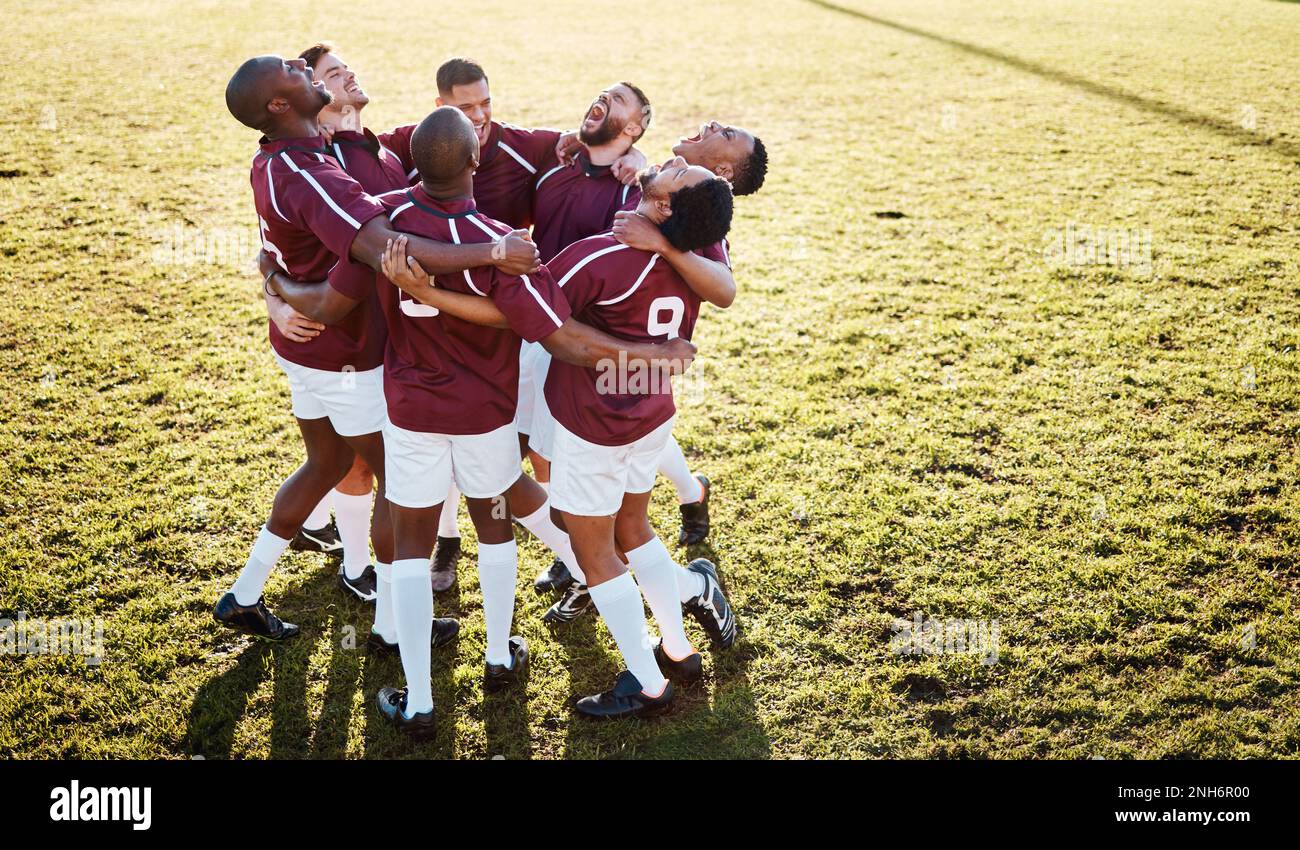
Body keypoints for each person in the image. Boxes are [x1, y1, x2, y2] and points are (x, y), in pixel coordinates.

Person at [267, 106, 697, 738]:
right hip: (487, 417)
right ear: (476, 161)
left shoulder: (383, 224)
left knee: (412, 548)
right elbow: (546, 331)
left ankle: (418, 701)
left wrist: (276, 287)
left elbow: (331, 297)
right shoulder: (503, 244)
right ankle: (498, 652)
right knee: (495, 525)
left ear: (414, 160)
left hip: (411, 413)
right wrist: (654, 357)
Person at [216, 54, 540, 641]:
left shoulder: (282, 157)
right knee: (400, 486)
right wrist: (491, 252)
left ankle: (243, 594)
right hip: (347, 355)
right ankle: (393, 625)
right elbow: (388, 249)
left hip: (305, 352)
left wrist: (277, 284)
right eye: (293, 69)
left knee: (328, 462)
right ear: (278, 106)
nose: (303, 64)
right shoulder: (313, 173)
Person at [542, 159, 739, 718]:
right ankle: (677, 648)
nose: (671, 160)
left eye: (679, 173)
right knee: (633, 526)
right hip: (652, 415)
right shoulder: (696, 258)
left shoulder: (604, 254)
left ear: (666, 207)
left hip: (596, 426)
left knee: (594, 550)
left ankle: (647, 684)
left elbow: (535, 316)